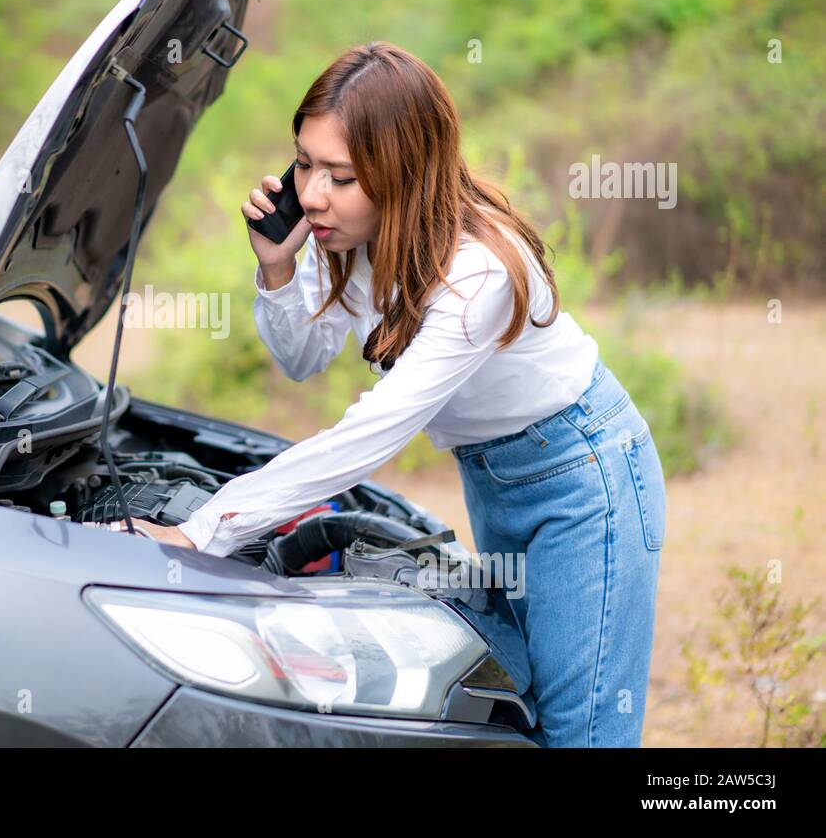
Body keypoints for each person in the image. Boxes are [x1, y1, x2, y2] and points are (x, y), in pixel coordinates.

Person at [123, 41, 667, 748]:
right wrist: (278, 269)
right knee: (519, 705)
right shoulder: (350, 235)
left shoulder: (477, 275)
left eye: (341, 176)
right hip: (497, 476)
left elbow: (370, 434)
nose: (312, 194)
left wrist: (204, 532)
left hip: (583, 478)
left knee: (582, 732)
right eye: (305, 163)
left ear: (403, 173)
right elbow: (302, 356)